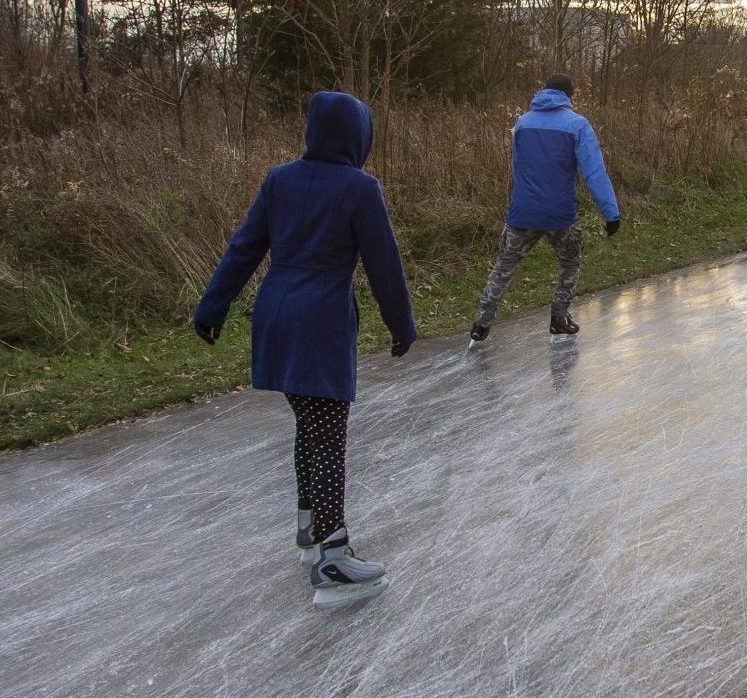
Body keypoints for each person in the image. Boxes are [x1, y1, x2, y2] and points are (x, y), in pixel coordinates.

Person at [193, 91, 416, 608]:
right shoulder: (360, 188)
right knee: (327, 432)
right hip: (320, 325)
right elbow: (384, 264)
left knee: (310, 424)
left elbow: (245, 246)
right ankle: (333, 557)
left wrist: (212, 308)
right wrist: (401, 325)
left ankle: (309, 528)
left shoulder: (280, 179)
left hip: (276, 318)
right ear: (358, 137)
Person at [470, 73, 620, 345]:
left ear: (544, 91)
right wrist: (611, 213)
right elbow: (594, 172)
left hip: (522, 212)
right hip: (560, 214)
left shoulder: (523, 123)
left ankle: (481, 323)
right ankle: (559, 318)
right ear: (569, 96)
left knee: (504, 266)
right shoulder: (577, 125)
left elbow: (517, 167)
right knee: (570, 263)